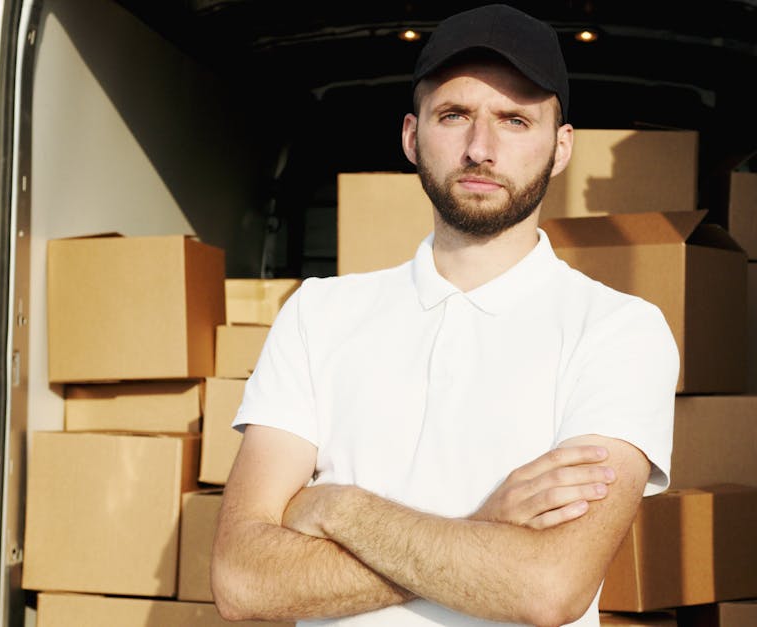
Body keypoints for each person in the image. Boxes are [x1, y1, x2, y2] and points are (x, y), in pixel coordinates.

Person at [210, 4, 678, 626]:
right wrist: (484, 532)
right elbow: (243, 581)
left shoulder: (620, 330)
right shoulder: (317, 314)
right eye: (454, 115)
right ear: (411, 136)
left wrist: (339, 509)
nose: (481, 149)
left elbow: (547, 588)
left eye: (515, 119)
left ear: (561, 147)